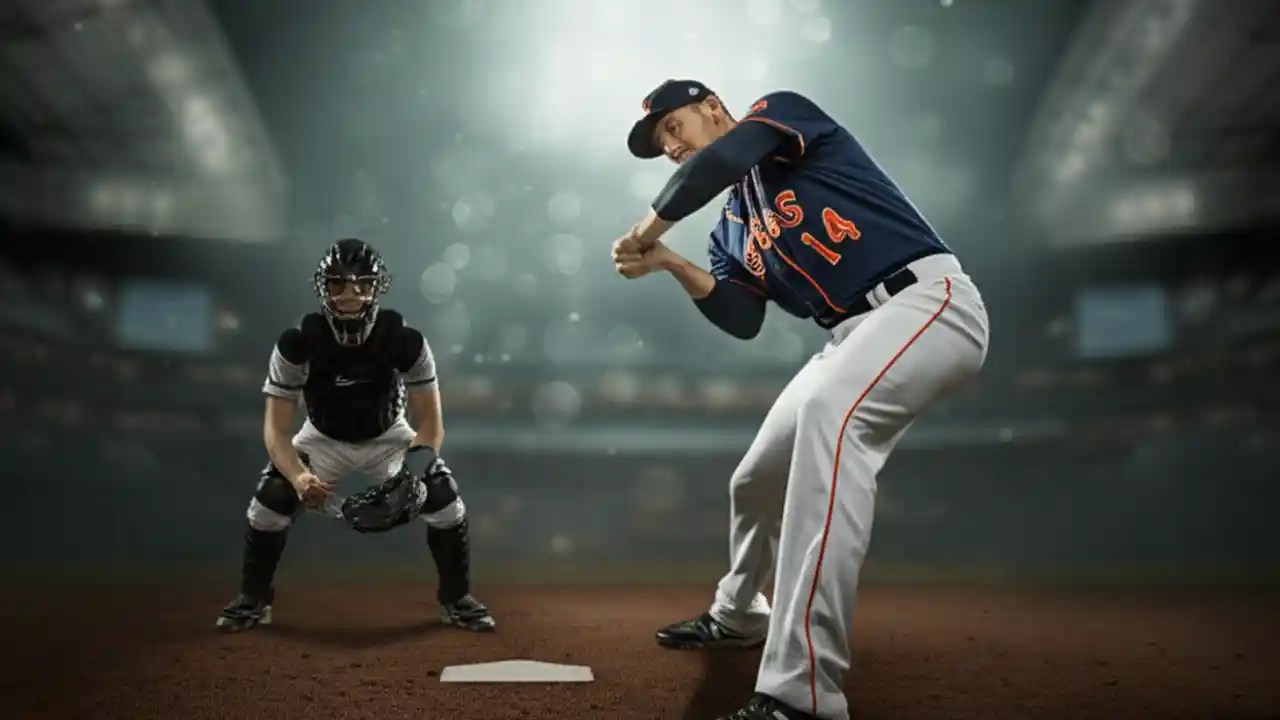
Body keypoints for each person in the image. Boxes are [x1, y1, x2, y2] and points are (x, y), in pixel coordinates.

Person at [612, 79, 991, 720]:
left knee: (827, 419)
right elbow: (742, 318)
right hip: (850, 334)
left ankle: (804, 690)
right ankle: (738, 614)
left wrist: (643, 230)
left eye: (673, 128)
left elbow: (721, 163)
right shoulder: (729, 229)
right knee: (755, 477)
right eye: (659, 145)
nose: (670, 147)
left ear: (711, 107)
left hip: (928, 302)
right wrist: (671, 264)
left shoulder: (779, 117)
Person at [215, 238, 495, 634]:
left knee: (446, 503)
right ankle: (253, 599)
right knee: (269, 504)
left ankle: (457, 598)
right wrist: (299, 478)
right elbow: (276, 429)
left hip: (389, 436)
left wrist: (412, 473)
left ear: (377, 286)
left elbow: (431, 422)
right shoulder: (297, 344)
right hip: (321, 437)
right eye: (338, 284)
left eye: (362, 284)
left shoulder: (405, 341)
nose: (350, 294)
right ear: (322, 287)